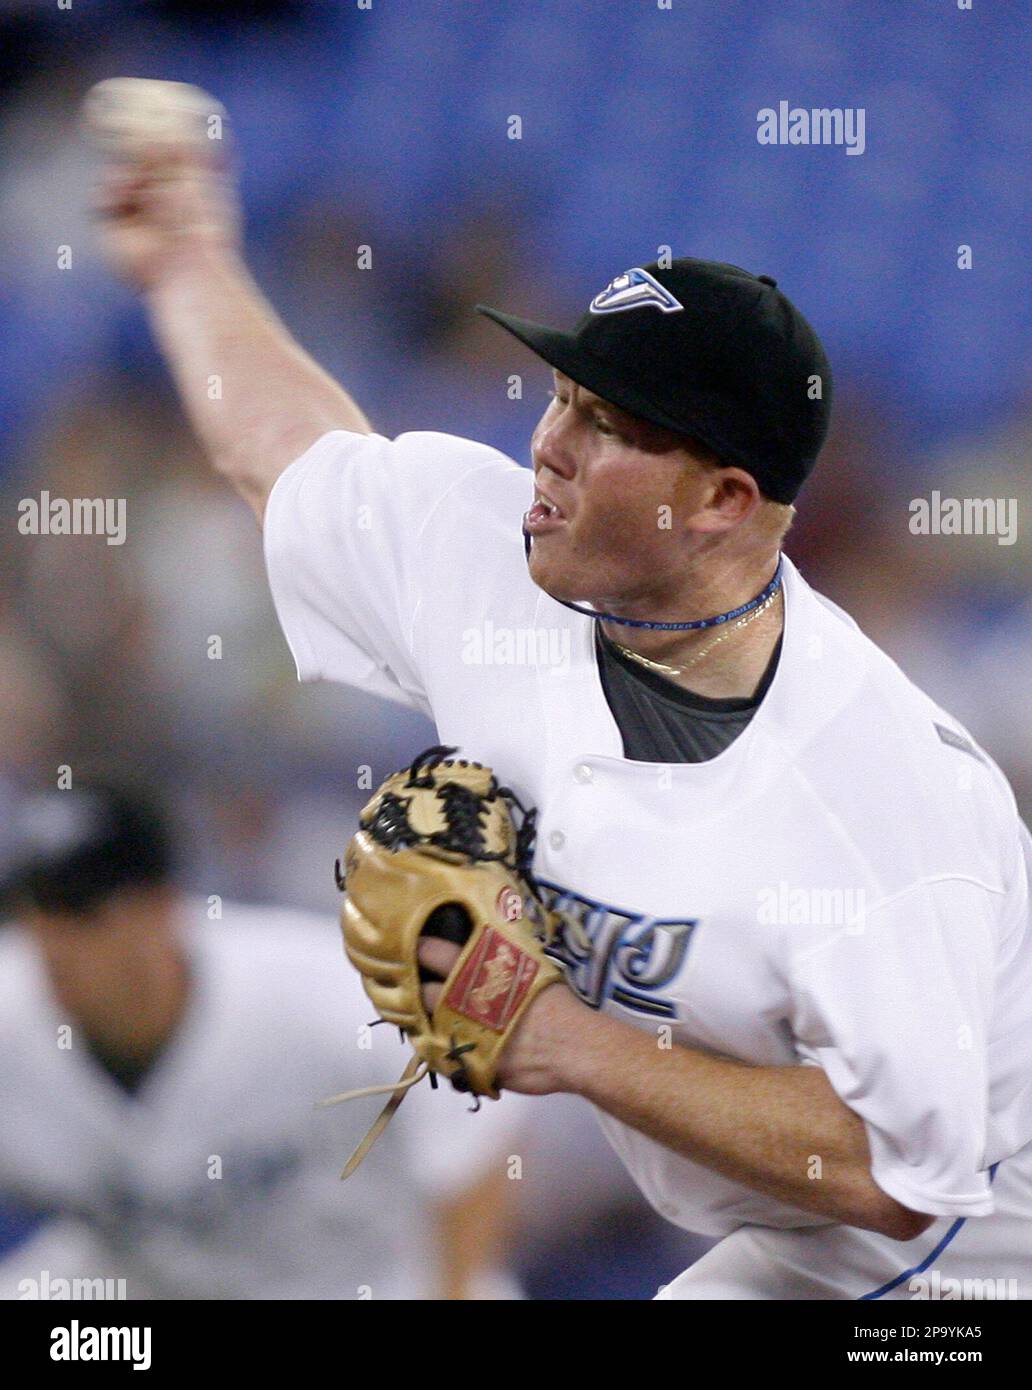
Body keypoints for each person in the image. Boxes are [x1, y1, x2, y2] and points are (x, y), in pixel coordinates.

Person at [89, 81, 1032, 1300]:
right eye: (559, 397)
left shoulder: (882, 802)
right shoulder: (487, 554)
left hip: (978, 1253)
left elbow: (903, 1171)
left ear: (724, 502)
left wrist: (562, 1041)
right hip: (801, 1240)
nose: (549, 443)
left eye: (607, 423)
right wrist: (184, 262)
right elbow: (278, 450)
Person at [0, 780, 524, 1300]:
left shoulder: (318, 990)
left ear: (161, 908)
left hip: (356, 1280)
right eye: (34, 915)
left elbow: (472, 1130)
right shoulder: (14, 1015)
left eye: (81, 916)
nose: (53, 945)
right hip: (137, 1287)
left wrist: (452, 1291)